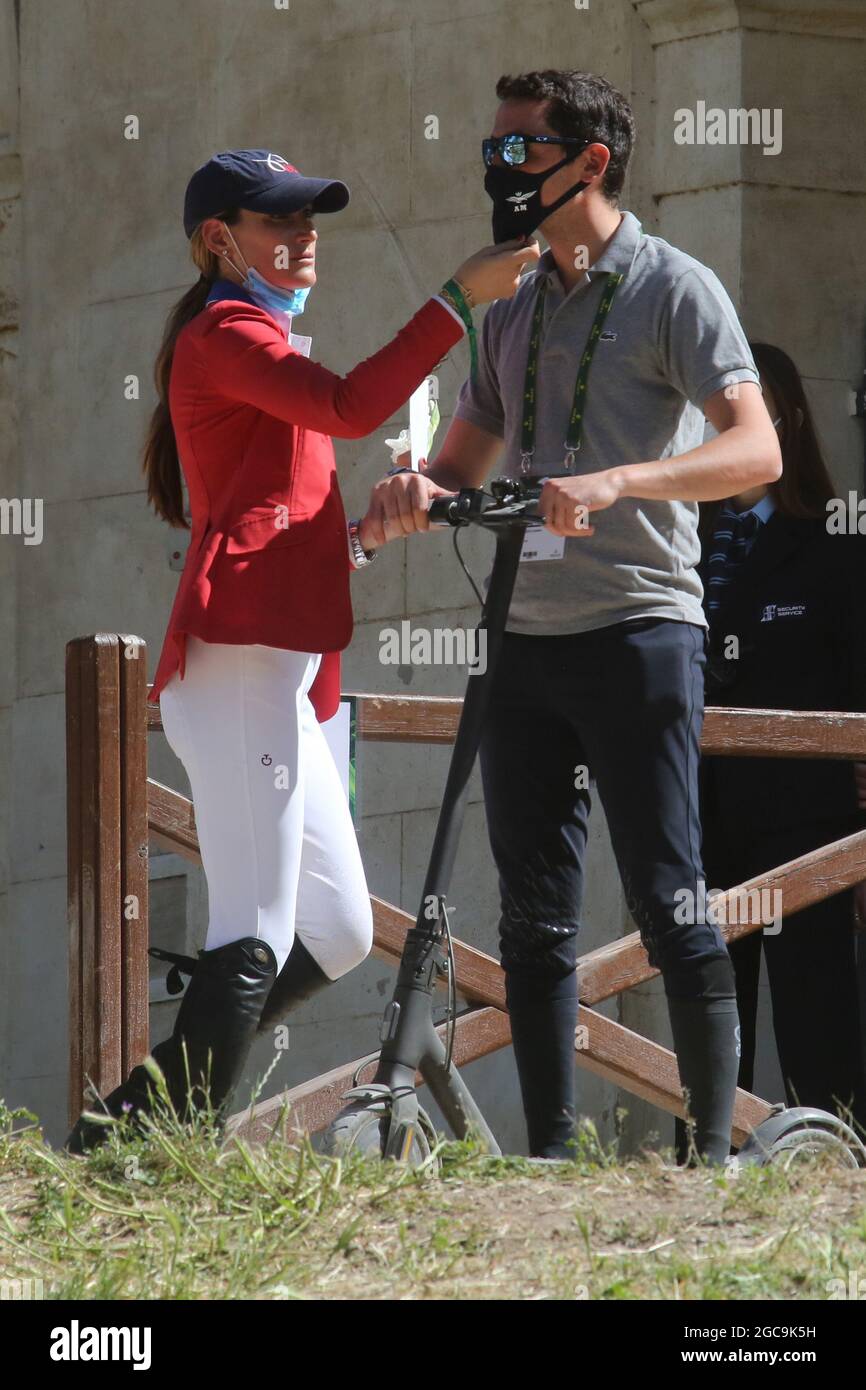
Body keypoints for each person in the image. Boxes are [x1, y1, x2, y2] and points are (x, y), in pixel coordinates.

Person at [65, 148, 539, 1153]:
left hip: (281, 678)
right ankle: (161, 1161)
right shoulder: (224, 330)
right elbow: (353, 404)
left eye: (310, 217)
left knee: (333, 929)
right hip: (242, 674)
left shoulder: (251, 335)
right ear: (217, 242)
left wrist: (366, 535)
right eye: (277, 220)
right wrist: (461, 294)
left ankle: (122, 1135)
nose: (303, 234)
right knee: (259, 928)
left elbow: (288, 524)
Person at [361, 71, 782, 1165]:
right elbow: (461, 462)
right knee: (529, 914)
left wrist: (620, 482)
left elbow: (755, 452)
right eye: (491, 151)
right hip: (521, 638)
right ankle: (546, 1162)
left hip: (640, 627)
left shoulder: (672, 287)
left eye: (517, 152)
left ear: (587, 162)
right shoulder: (509, 302)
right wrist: (413, 496)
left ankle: (710, 1162)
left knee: (665, 893)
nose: (495, 171)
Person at [673, 342, 866, 1160]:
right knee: (711, 1018)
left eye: (732, 406)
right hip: (695, 824)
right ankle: (704, 1175)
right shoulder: (678, 537)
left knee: (818, 1023)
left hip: (806, 830)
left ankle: (843, 1169)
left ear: (777, 415)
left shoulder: (835, 540)